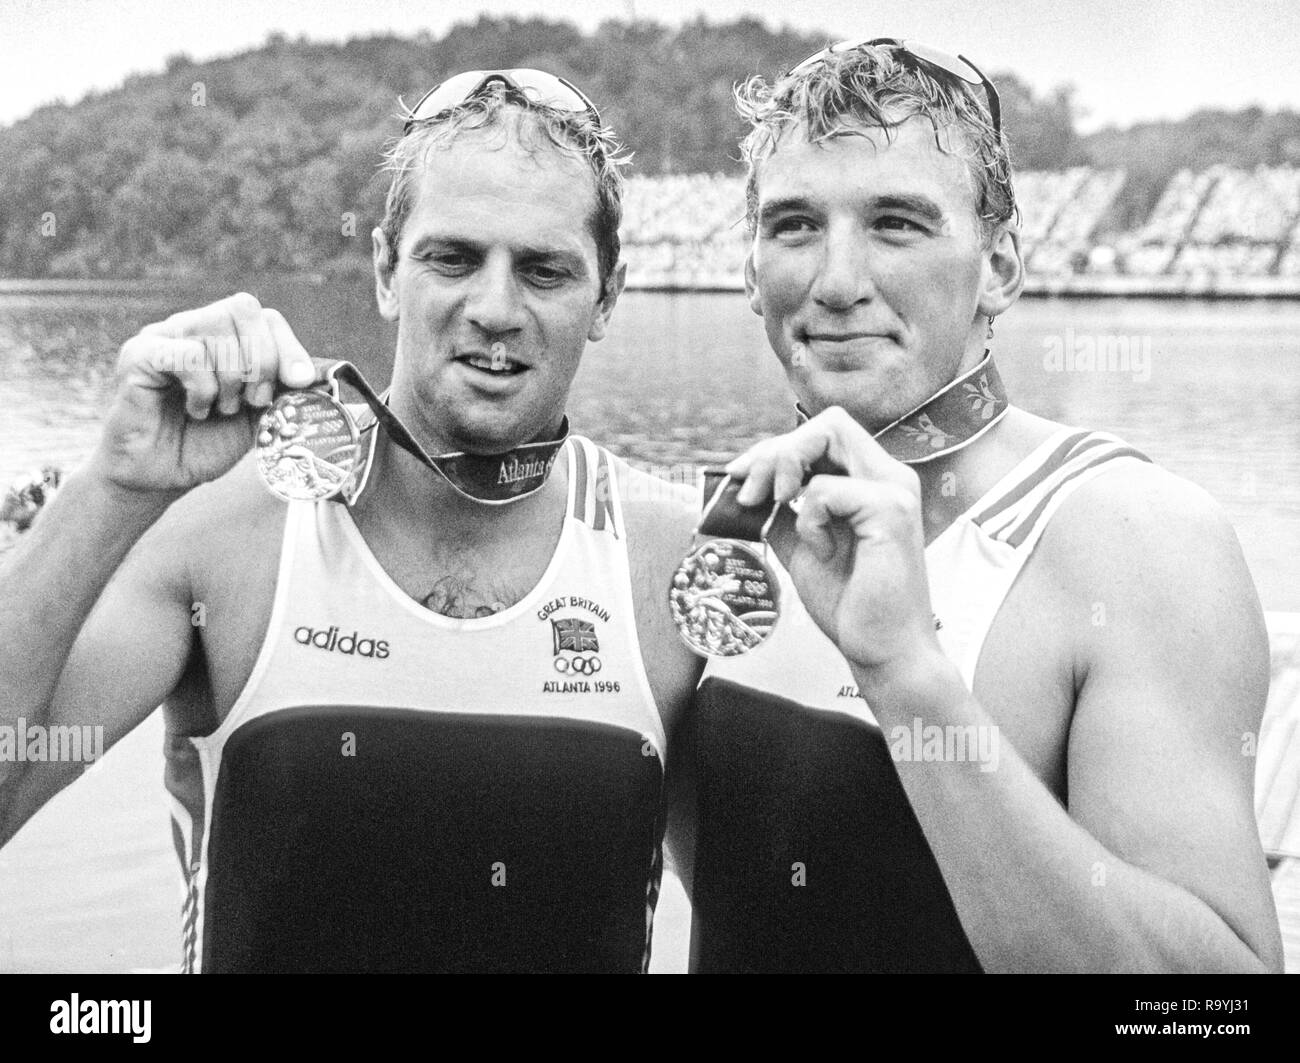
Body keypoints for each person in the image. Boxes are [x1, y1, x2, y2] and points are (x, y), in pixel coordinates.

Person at [0, 69, 701, 973]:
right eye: (452, 258)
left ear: (606, 296)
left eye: (544, 269)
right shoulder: (223, 532)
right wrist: (111, 490)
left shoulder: (673, 558)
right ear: (383, 269)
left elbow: (776, 910)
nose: (494, 308)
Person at [685, 38, 1283, 973]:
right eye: (795, 224)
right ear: (750, 266)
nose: (837, 282)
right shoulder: (731, 518)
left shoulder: (1134, 538)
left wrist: (908, 673)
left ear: (1000, 266)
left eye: (897, 224)